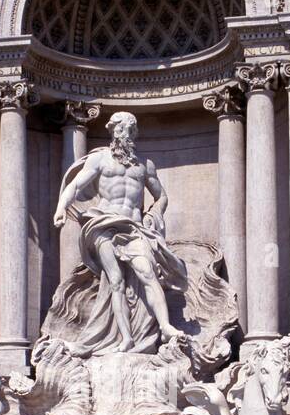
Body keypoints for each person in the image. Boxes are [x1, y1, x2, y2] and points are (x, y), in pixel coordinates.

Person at [51, 112, 188, 354]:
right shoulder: (100, 160)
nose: (121, 134)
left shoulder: (145, 165)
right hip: (103, 224)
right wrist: (61, 207)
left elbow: (161, 196)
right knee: (116, 281)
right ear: (112, 131)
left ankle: (165, 327)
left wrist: (153, 214)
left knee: (148, 273)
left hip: (134, 227)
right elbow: (76, 185)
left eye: (126, 129)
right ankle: (126, 338)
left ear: (134, 133)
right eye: (117, 129)